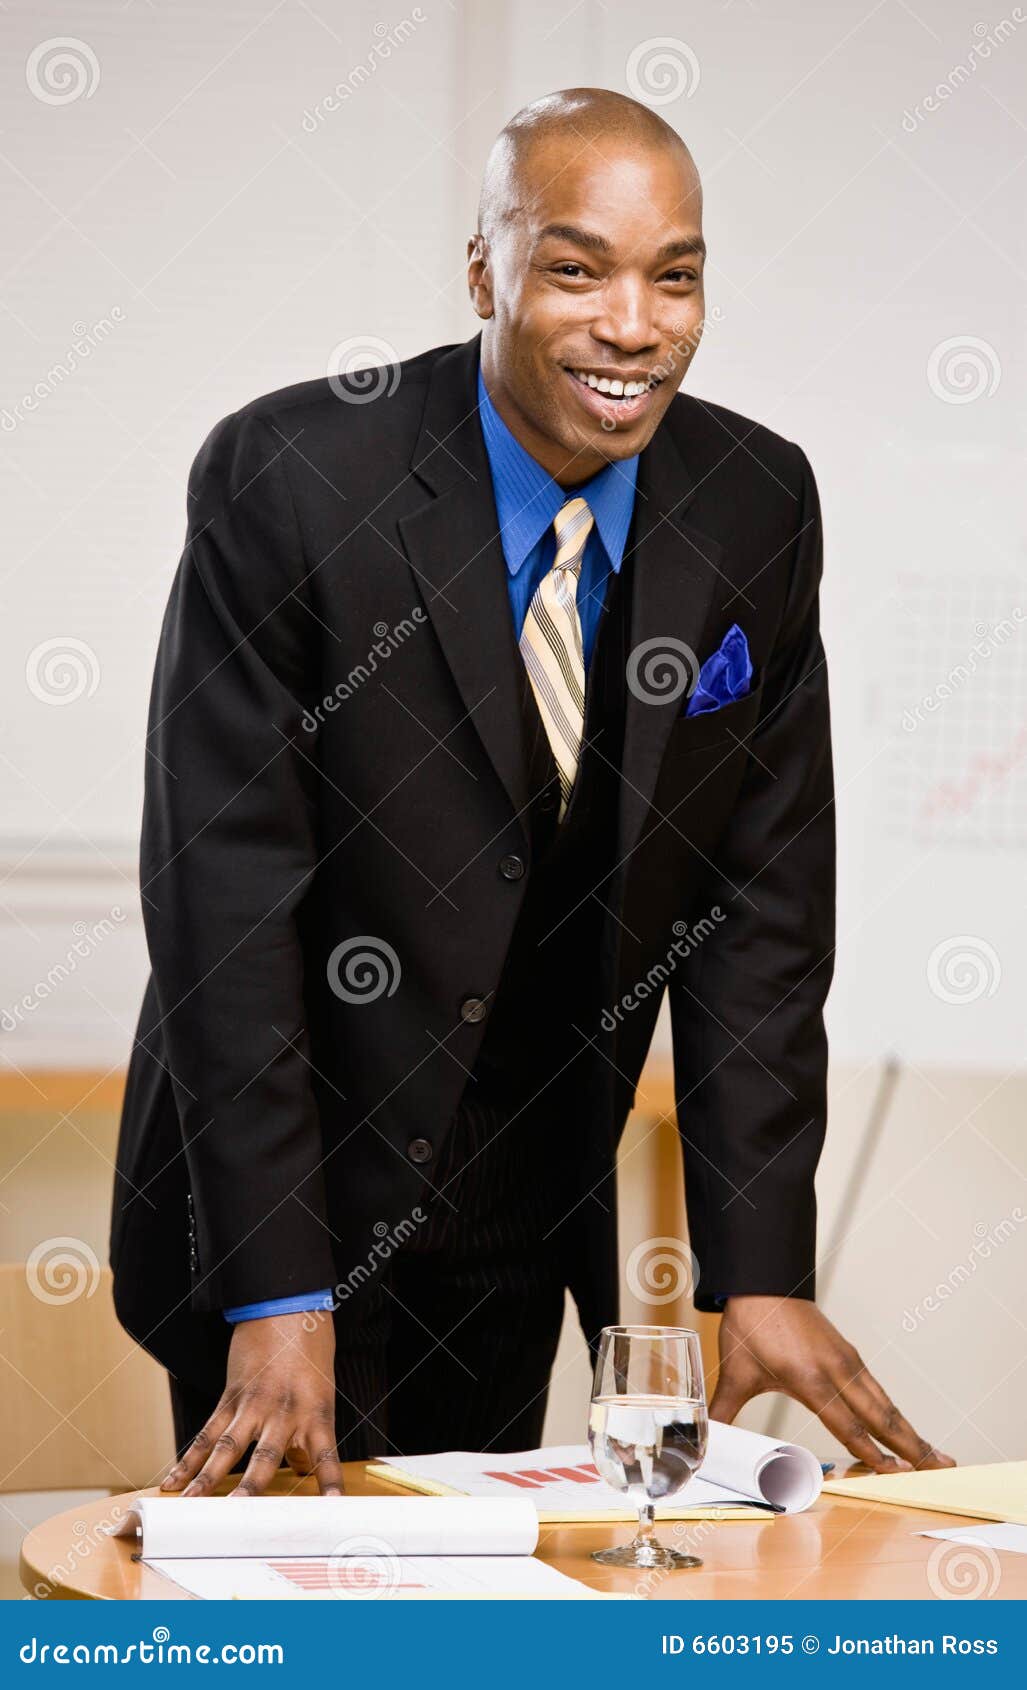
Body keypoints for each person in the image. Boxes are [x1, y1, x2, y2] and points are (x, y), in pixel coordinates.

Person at [111, 87, 954, 1499]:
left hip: (522, 1211)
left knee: (473, 1617)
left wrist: (760, 1269)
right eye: (577, 268)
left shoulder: (758, 502)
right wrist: (275, 1293)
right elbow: (221, 905)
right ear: (484, 268)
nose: (635, 324)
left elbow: (761, 911)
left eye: (674, 275)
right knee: (284, 1621)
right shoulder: (294, 480)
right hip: (284, 1185)